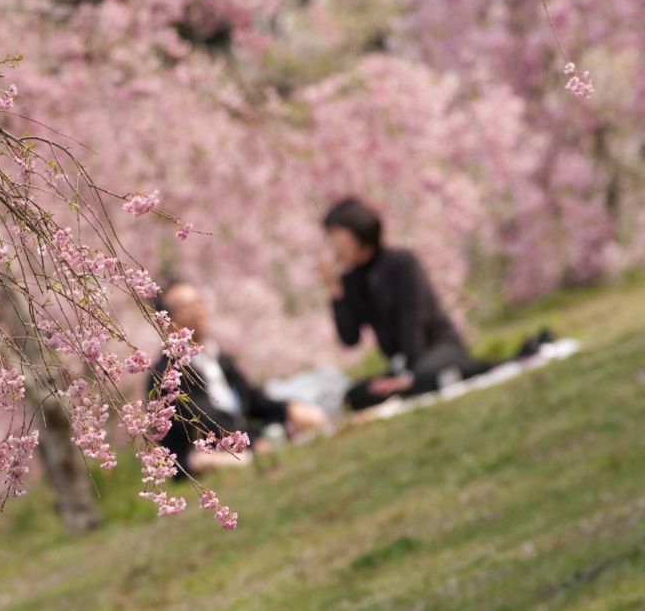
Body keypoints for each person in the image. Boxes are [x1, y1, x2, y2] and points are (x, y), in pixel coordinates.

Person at [318, 197, 552, 410]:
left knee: (423, 376)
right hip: (402, 364)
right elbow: (350, 338)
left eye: (336, 235)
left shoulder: (400, 262)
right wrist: (336, 294)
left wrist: (409, 374)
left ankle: (490, 365)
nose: (333, 245)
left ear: (357, 229)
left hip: (437, 349)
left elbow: (414, 319)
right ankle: (417, 383)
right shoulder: (351, 281)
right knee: (355, 396)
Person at [147, 280, 328, 476]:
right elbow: (205, 421)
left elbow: (253, 400)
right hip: (206, 456)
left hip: (245, 443)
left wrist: (289, 409)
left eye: (198, 302)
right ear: (166, 322)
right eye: (186, 307)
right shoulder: (166, 375)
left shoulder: (218, 357)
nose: (197, 310)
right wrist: (254, 444)